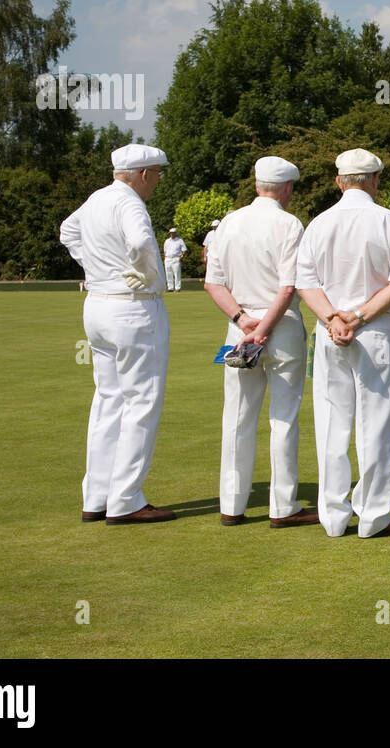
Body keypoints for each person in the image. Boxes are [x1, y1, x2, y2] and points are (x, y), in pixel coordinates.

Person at [296, 149, 390, 538]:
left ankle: (333, 517)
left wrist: (334, 318)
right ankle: (373, 517)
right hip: (376, 331)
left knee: (332, 423)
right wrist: (358, 317)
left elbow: (306, 284)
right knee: (375, 425)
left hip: (330, 332)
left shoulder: (318, 224)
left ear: (338, 181)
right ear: (376, 180)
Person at [59, 143, 176, 525]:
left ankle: (96, 497)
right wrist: (142, 270)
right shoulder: (129, 203)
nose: (157, 180)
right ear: (143, 174)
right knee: (141, 403)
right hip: (132, 307)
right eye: (157, 173)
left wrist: (95, 265)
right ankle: (126, 499)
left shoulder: (96, 198)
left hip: (97, 306)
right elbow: (141, 243)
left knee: (109, 400)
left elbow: (68, 231)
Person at [204, 156, 318, 529]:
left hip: (241, 329)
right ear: (286, 189)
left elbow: (213, 283)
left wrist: (242, 322)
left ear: (256, 186)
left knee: (236, 418)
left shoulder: (229, 223)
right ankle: (282, 507)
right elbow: (288, 286)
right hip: (279, 327)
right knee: (282, 419)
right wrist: (265, 328)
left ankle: (231, 506)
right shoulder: (288, 224)